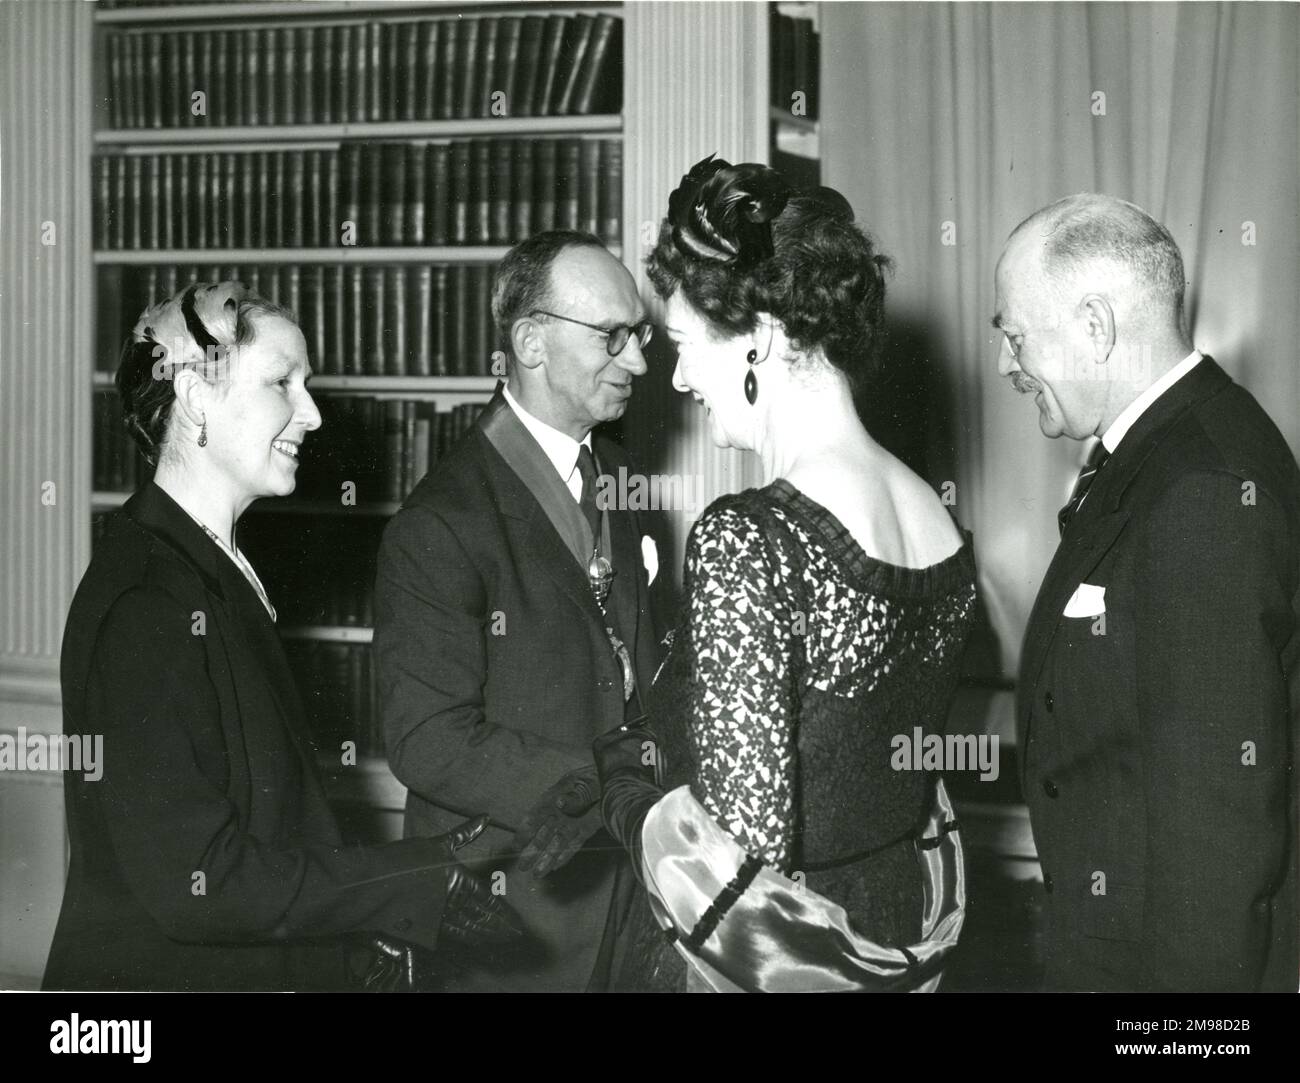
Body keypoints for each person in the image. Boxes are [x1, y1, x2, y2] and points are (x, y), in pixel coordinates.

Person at [44, 282, 522, 992]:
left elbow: (266, 830)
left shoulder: (204, 569)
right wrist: (406, 882)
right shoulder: (149, 605)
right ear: (197, 400)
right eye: (281, 383)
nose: (314, 413)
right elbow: (197, 881)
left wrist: (361, 936)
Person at [593, 156, 977, 992]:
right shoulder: (938, 519)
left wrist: (630, 794)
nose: (681, 377)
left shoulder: (750, 535)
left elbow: (739, 868)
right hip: (894, 921)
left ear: (761, 336)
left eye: (689, 345)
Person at [994, 193, 1300, 991]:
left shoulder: (1199, 484)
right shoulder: (1167, 449)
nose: (1005, 365)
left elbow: (1216, 835)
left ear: (1094, 325)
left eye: (1016, 337)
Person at [373, 231, 663, 992]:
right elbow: (427, 738)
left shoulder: (622, 480)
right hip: (509, 923)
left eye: (640, 335)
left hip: (629, 905)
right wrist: (613, 785)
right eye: (613, 336)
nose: (636, 360)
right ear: (530, 342)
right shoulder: (441, 520)